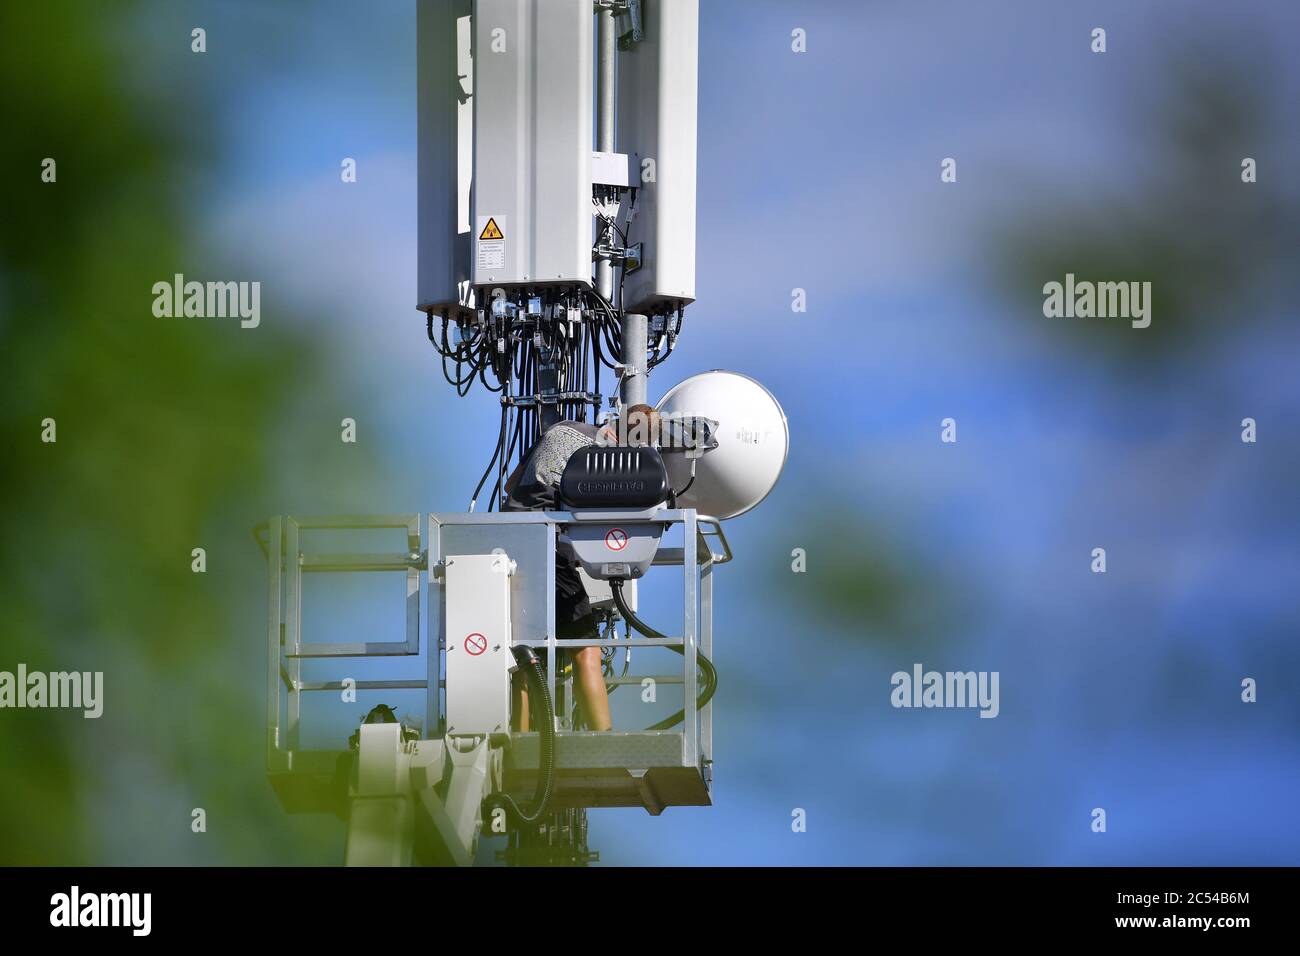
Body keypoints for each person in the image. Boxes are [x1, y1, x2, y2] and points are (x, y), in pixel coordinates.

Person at [504, 404, 661, 732]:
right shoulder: (600, 458)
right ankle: (605, 739)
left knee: (525, 650)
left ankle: (516, 741)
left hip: (504, 544)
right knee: (586, 649)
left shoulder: (564, 427)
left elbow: (511, 486)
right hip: (543, 546)